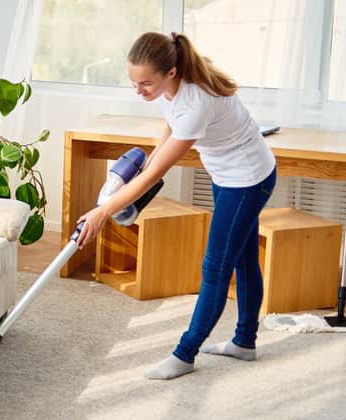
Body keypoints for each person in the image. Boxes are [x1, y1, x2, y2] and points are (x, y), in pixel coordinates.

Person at [76, 32, 277, 380]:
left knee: (215, 269)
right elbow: (169, 130)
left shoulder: (196, 102)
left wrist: (104, 210)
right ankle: (245, 342)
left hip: (247, 180)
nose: (139, 91)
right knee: (242, 258)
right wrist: (144, 165)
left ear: (170, 72)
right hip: (228, 175)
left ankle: (185, 354)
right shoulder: (171, 87)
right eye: (134, 83)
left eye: (146, 84)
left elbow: (157, 174)